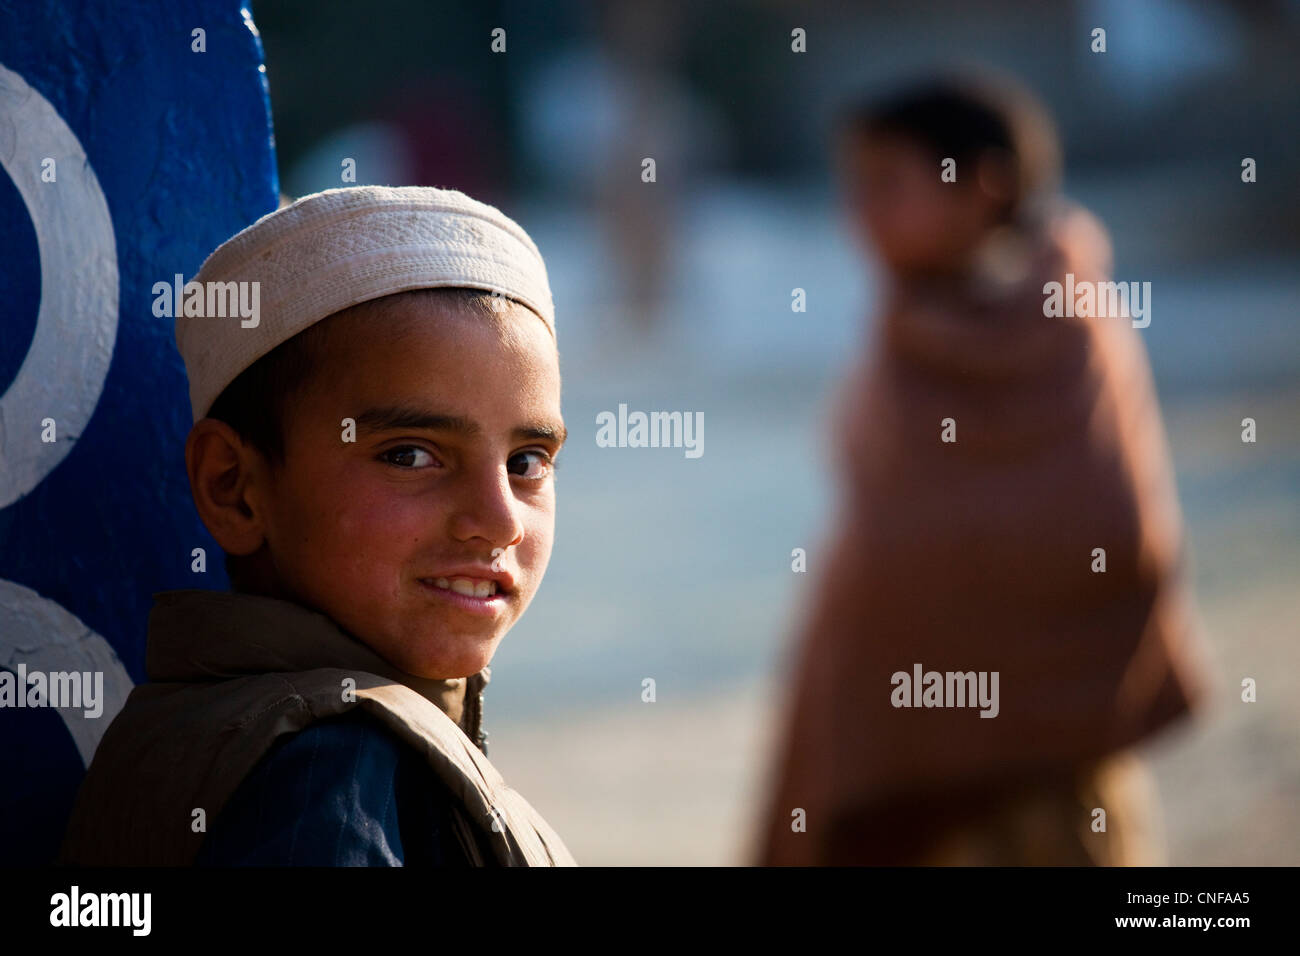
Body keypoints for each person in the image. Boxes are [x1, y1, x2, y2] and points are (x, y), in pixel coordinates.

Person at [756, 75, 1210, 866]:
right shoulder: (903, 326)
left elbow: (1114, 524)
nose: (857, 211)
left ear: (983, 190)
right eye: (855, 186)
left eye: (887, 185)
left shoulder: (1063, 324)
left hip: (1052, 754)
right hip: (901, 733)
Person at [60, 185, 575, 866]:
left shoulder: (251, 739)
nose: (499, 519)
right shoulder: (328, 770)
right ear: (234, 488)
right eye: (410, 454)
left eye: (526, 461)